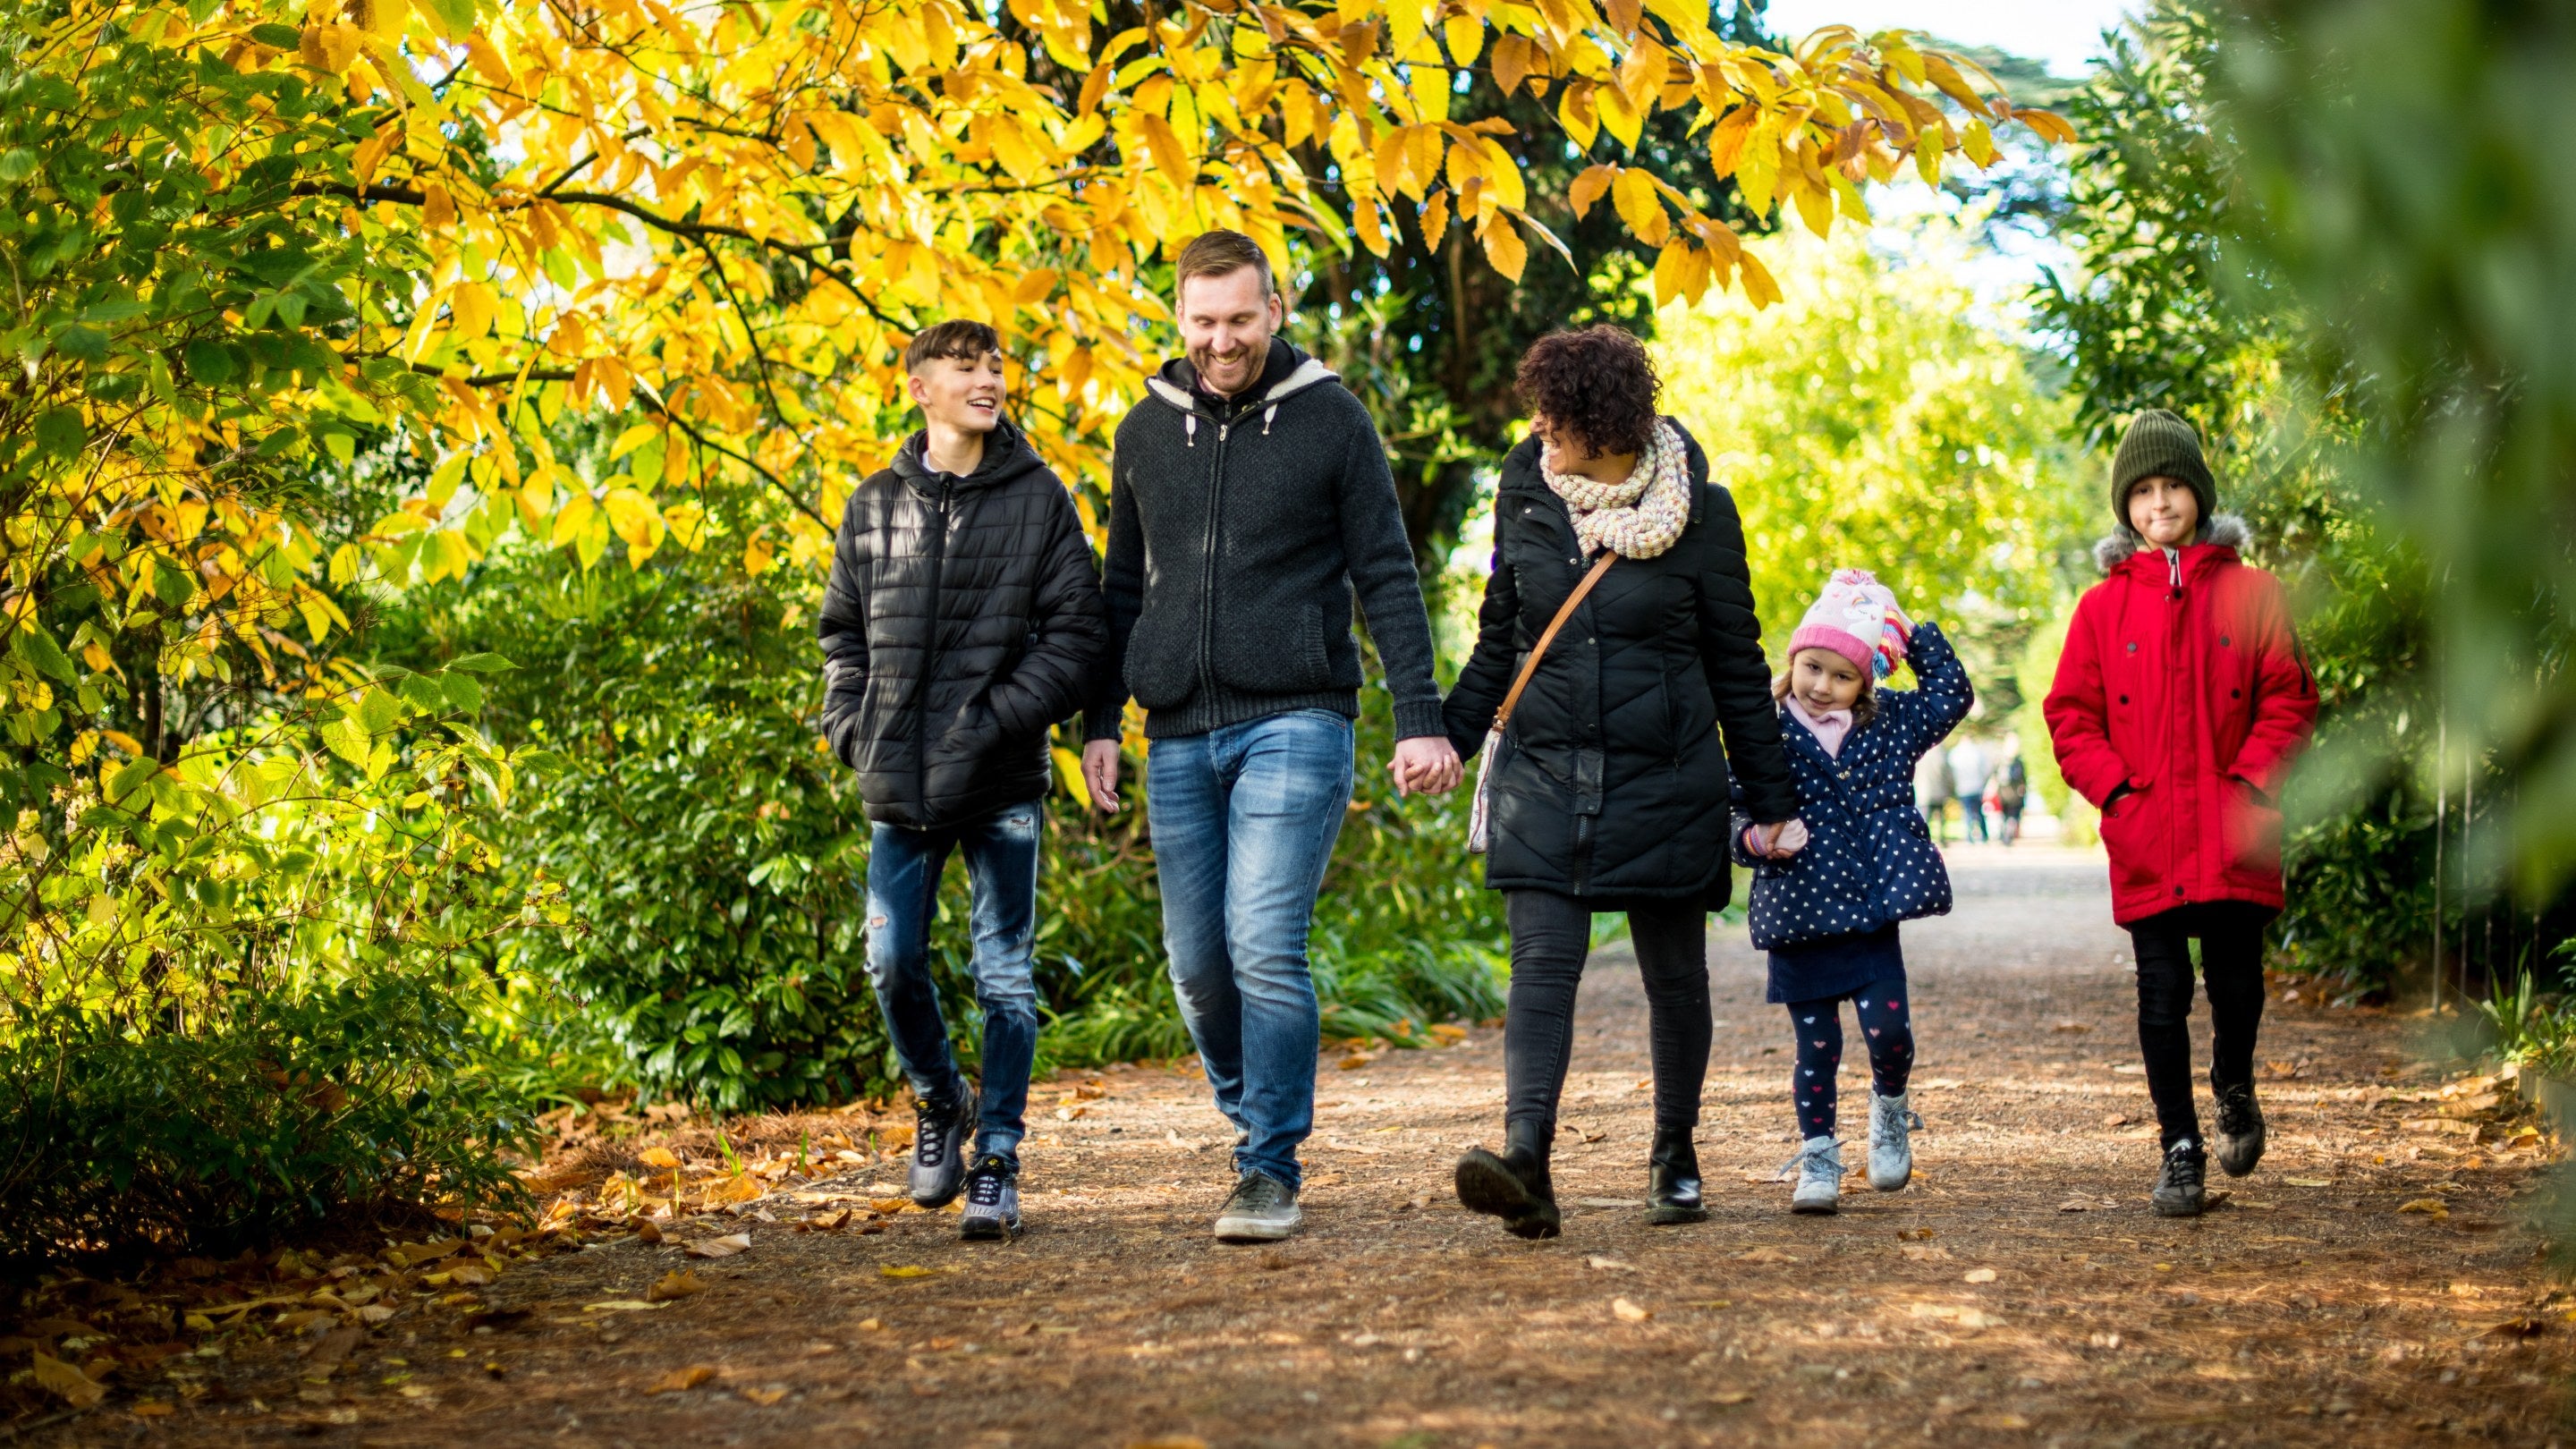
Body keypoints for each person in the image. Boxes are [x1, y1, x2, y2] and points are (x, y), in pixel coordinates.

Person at [1080, 231, 1461, 1243]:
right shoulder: (1143, 432)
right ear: (1180, 321)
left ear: (1275, 309)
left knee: (1262, 943)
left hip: (1296, 716)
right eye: (1202, 323)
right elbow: (1123, 590)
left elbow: (1387, 573)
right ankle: (1257, 1117)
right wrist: (1099, 722)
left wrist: (1419, 717)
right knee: (1196, 966)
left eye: (1239, 320)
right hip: (1175, 733)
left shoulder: (1332, 421)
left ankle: (1266, 1165)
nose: (1221, 341)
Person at [1439, 325, 1800, 1240]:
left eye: (1556, 420)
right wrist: (1434, 737)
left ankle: (1674, 1154)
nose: (1539, 433)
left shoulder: (1701, 513)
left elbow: (1733, 663)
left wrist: (1772, 805)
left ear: (1605, 428)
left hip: (1668, 779)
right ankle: (1527, 1165)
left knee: (1674, 979)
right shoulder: (1525, 492)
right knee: (1540, 970)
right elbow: (1502, 640)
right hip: (1545, 773)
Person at [818, 320, 1106, 1242]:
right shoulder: (871, 506)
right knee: (890, 961)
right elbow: (842, 636)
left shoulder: (1040, 500)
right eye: (966, 367)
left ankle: (999, 1161)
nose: (989, 379)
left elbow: (1078, 636)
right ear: (919, 387)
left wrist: (993, 721)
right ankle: (942, 1102)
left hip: (999, 779)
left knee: (1006, 977)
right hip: (897, 779)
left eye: (996, 366)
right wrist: (848, 723)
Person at [2044, 409, 2317, 1217]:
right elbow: (2071, 715)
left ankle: (2234, 1082)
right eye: (2144, 490)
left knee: (2236, 986)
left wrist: (2255, 785)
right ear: (2126, 506)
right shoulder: (2100, 610)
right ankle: (2179, 1145)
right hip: (2150, 834)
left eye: (2173, 486)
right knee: (2161, 992)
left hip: (2235, 827)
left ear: (2198, 494)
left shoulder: (2255, 592)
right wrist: (2119, 794)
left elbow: (2290, 696)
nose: (2160, 503)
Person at [1733, 570, 1971, 1213]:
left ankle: (1890, 1107)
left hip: (1869, 912)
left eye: (1843, 675)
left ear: (1866, 682)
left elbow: (1952, 695)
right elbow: (1727, 810)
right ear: (1794, 659)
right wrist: (1756, 840)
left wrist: (1911, 631)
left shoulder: (1890, 723)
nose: (1822, 686)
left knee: (1889, 1033)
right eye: (1813, 667)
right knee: (1818, 1048)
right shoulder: (1761, 729)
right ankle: (1819, 1158)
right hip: (1798, 913)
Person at [1948, 733, 1989, 843]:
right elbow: (1985, 769)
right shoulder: (1977, 752)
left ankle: (1969, 837)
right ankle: (1984, 835)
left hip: (1963, 788)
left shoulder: (1955, 753)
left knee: (1967, 812)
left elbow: (1951, 772)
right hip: (1977, 786)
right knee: (1979, 812)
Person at [1915, 743, 1953, 842]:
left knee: (1925, 818)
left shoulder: (1920, 755)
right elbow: (1947, 774)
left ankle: (1923, 839)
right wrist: (1950, 789)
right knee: (1940, 817)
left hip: (1923, 791)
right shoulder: (1941, 755)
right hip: (1939, 790)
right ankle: (1941, 838)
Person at [1995, 736, 2029, 845]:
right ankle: (2008, 835)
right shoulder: (2018, 761)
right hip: (2015, 794)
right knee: (2013, 816)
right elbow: (2023, 778)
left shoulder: (2001, 760)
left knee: (2005, 815)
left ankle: (2004, 833)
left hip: (2003, 792)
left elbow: (1994, 775)